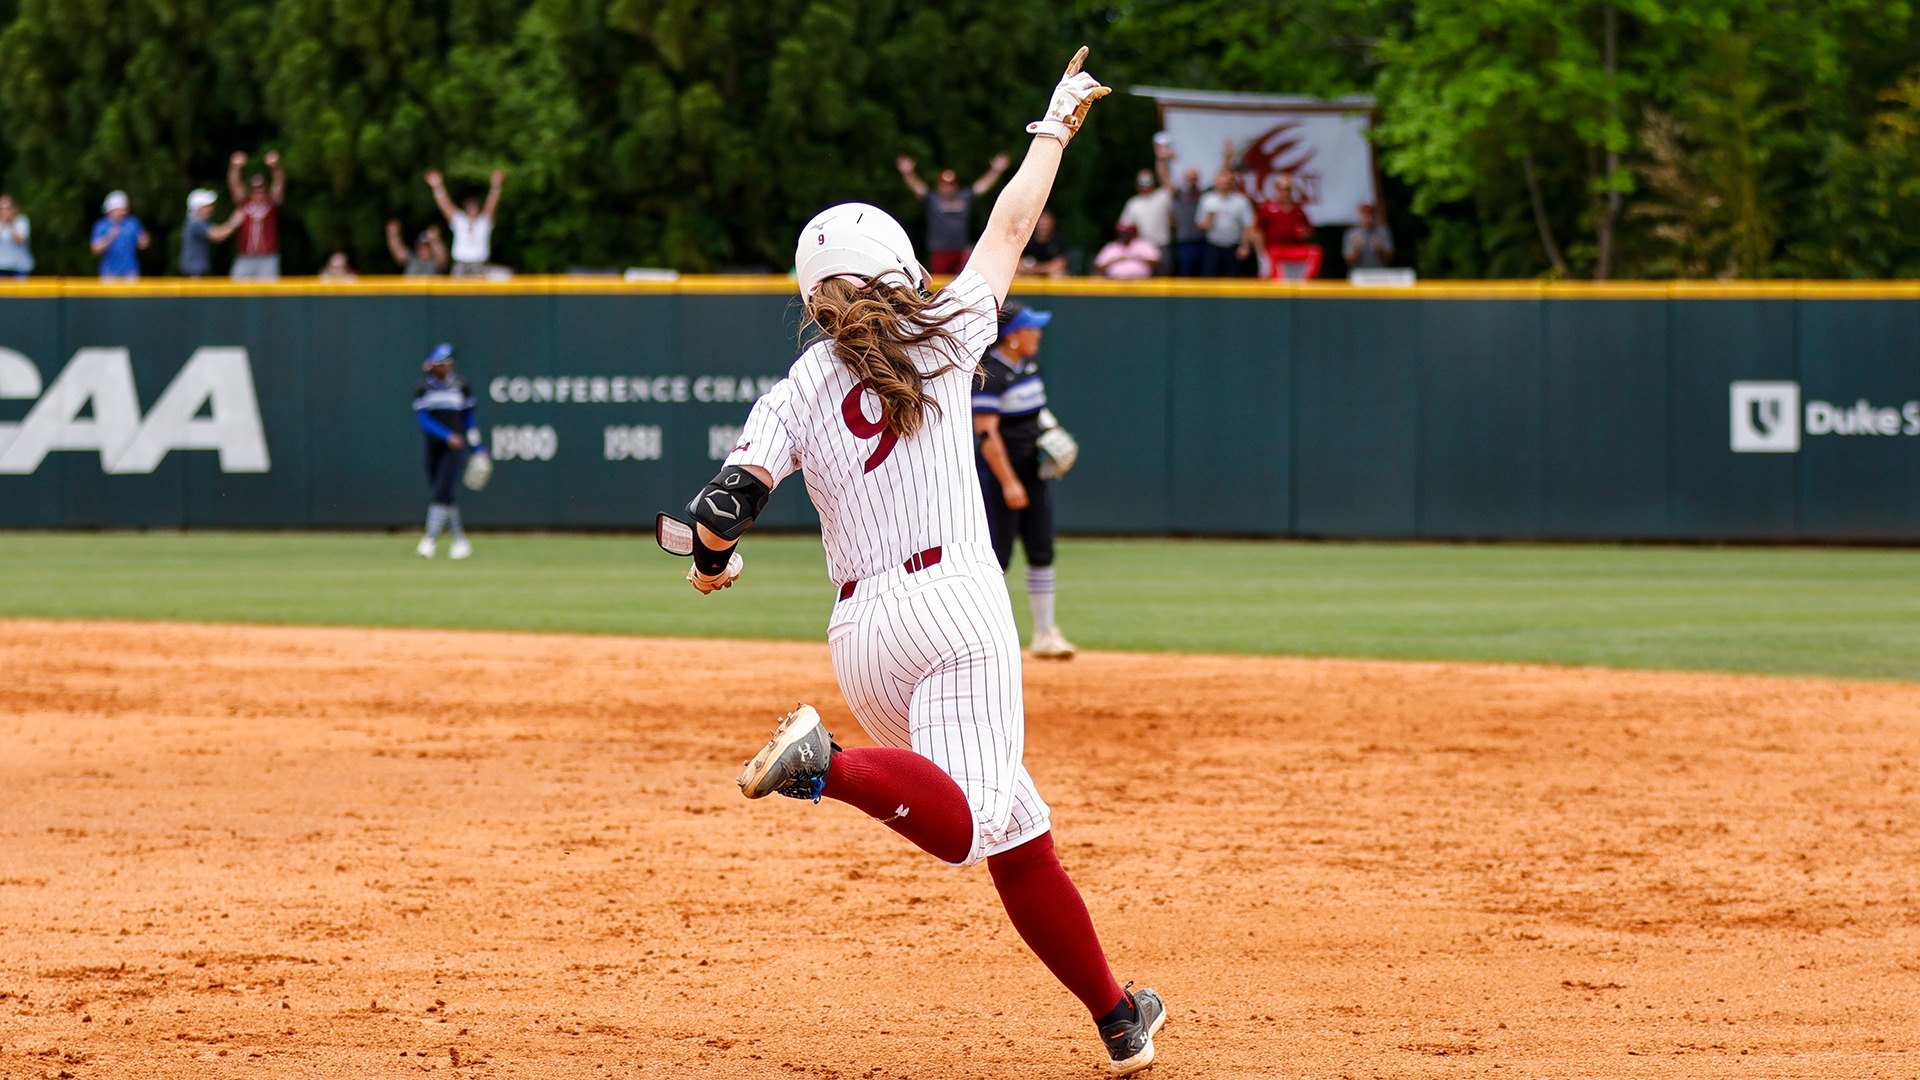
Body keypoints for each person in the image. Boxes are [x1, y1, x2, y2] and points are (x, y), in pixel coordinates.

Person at [679, 48, 1167, 1077]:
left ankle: (1119, 1015)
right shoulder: (946, 326)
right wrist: (1054, 126)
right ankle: (829, 769)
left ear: (812, 292)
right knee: (965, 828)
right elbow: (1009, 227)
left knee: (1016, 827)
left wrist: (713, 564)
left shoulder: (801, 383)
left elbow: (725, 504)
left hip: (861, 634)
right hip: (953, 603)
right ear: (900, 261)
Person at [974, 299, 1077, 658]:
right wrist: (1008, 482)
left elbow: (1037, 411)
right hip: (1001, 473)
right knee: (996, 557)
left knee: (1041, 549)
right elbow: (987, 434)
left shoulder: (1029, 364)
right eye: (1030, 328)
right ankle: (991, 640)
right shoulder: (989, 373)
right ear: (1012, 336)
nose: (1037, 333)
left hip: (1033, 470)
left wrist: (1052, 431)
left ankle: (1045, 633)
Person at [412, 343, 481, 560]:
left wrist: (478, 448)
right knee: (445, 495)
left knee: (441, 492)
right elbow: (423, 420)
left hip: (456, 448)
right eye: (443, 363)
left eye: (450, 362)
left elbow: (469, 419)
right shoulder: (423, 388)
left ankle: (429, 540)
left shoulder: (461, 387)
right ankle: (459, 541)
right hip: (435, 447)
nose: (448, 366)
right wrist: (445, 436)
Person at [895, 152, 1011, 275]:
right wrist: (908, 173)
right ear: (939, 185)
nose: (947, 188)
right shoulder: (933, 199)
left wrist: (996, 170)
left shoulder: (964, 198)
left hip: (960, 250)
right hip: (939, 251)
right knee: (939, 283)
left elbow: (981, 187)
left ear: (955, 185)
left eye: (950, 184)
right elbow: (917, 187)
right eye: (944, 185)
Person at [427, 169, 505, 277]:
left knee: (479, 292)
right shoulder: (460, 220)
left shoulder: (483, 221)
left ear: (478, 208)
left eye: (475, 207)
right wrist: (437, 187)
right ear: (465, 209)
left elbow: (492, 205)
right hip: (461, 264)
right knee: (457, 293)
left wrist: (496, 186)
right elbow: (445, 206)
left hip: (479, 264)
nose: (472, 210)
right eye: (470, 207)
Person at [1115, 142, 1175, 274]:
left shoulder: (1162, 196)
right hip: (1143, 248)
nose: (1145, 186)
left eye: (1148, 182)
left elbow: (1166, 181)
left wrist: (1161, 159)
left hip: (1162, 246)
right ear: (1137, 184)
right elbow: (1124, 226)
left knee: (1164, 279)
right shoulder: (1133, 203)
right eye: (1142, 183)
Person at [226, 151, 286, 281]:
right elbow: (234, 185)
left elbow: (279, 184)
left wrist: (275, 167)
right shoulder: (245, 203)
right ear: (250, 191)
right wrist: (235, 167)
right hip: (245, 257)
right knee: (235, 288)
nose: (258, 194)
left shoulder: (271, 204)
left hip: (267, 257)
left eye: (261, 191)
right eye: (255, 191)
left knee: (269, 293)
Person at [1256, 173, 1318, 280]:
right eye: (1281, 189)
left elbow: (1308, 231)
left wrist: (1304, 234)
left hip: (1291, 253)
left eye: (1287, 189)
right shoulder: (1267, 208)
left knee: (1314, 253)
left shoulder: (1298, 211)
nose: (1284, 192)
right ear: (1276, 190)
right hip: (1272, 252)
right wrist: (1262, 254)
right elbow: (1257, 231)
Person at [1196, 168, 1257, 278]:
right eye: (1222, 182)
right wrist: (1208, 222)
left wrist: (1245, 246)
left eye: (1228, 182)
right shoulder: (1207, 199)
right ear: (1216, 182)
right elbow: (1199, 223)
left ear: (1232, 183)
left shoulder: (1241, 201)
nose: (1224, 185)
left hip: (1233, 248)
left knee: (1232, 281)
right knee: (1209, 280)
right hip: (1212, 247)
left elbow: (1248, 225)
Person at [179, 189, 242, 278]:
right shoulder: (196, 222)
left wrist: (231, 223)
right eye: (207, 205)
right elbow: (217, 236)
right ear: (198, 207)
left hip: (197, 271)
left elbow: (217, 230)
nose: (211, 207)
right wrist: (234, 222)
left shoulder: (199, 221)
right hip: (194, 272)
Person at [90, 192, 150, 280]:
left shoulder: (133, 223)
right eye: (121, 209)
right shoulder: (101, 226)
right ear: (111, 209)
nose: (124, 211)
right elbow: (95, 249)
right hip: (109, 273)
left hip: (130, 272)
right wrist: (110, 237)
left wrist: (144, 241)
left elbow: (143, 243)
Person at [1169, 167, 1207, 277]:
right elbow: (1164, 179)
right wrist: (1161, 160)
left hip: (1203, 242)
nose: (1192, 180)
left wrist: (1227, 158)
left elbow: (1220, 181)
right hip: (1184, 242)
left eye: (1194, 178)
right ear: (1185, 179)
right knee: (1186, 275)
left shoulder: (1204, 195)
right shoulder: (1179, 194)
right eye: (1190, 178)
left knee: (1204, 276)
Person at [1091, 221, 1160, 279]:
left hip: (1141, 283)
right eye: (1122, 232)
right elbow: (1099, 266)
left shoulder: (1144, 245)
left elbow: (1155, 262)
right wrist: (1116, 260)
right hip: (1114, 283)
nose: (1124, 234)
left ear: (1134, 233)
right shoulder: (1112, 247)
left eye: (1127, 232)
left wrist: (1135, 258)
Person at [1344, 202, 1395, 271]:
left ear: (1374, 216)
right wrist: (1357, 250)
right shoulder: (1352, 234)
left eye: (1370, 214)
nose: (1367, 218)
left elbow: (1391, 258)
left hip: (1380, 274)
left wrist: (1380, 250)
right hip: (1359, 275)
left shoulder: (1383, 232)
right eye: (1364, 215)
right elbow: (1348, 260)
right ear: (1359, 216)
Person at [1018, 209, 1069, 277]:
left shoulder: (1058, 240)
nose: (1044, 226)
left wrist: (1042, 269)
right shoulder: (1026, 239)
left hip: (1050, 274)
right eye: (1042, 223)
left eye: (1046, 223)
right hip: (1029, 274)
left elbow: (1061, 262)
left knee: (1059, 274)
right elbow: (1018, 262)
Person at [0, 194, 31, 278]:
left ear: (14, 208)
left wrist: (10, 224)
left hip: (19, 268)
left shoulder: (21, 221)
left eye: (7, 208)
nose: (4, 211)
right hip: (1, 267)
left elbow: (20, 240)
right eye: (1, 208)